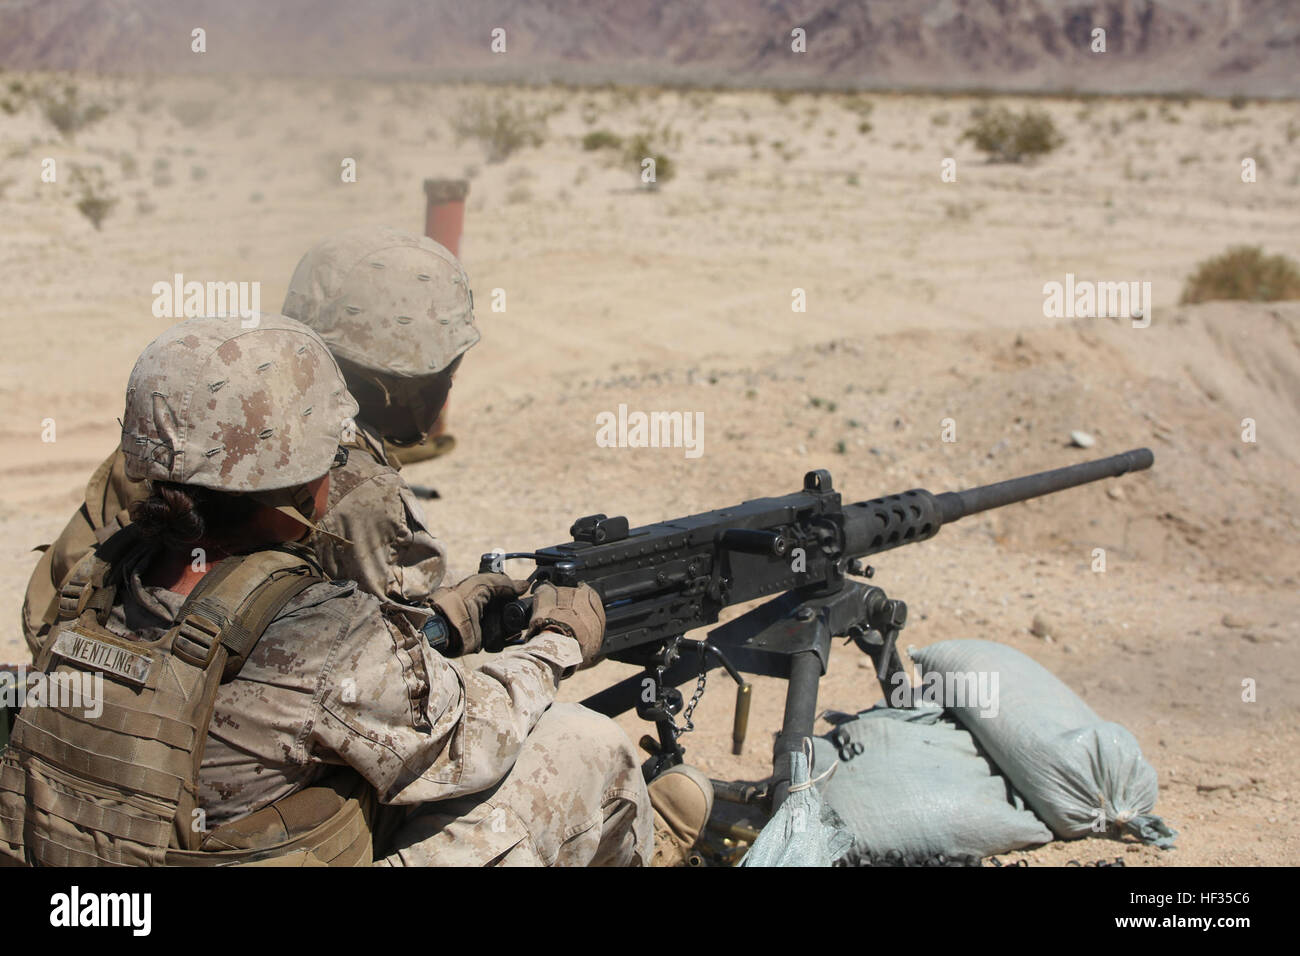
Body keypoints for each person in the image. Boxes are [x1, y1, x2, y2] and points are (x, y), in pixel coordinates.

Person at [0, 315, 712, 866]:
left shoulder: (99, 573)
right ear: (308, 477)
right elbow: (477, 737)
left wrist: (436, 625)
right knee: (580, 748)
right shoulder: (319, 630)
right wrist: (557, 643)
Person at [22, 226, 471, 657]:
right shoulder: (361, 489)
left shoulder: (203, 417)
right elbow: (394, 665)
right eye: (448, 370)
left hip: (80, 652)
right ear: (407, 384)